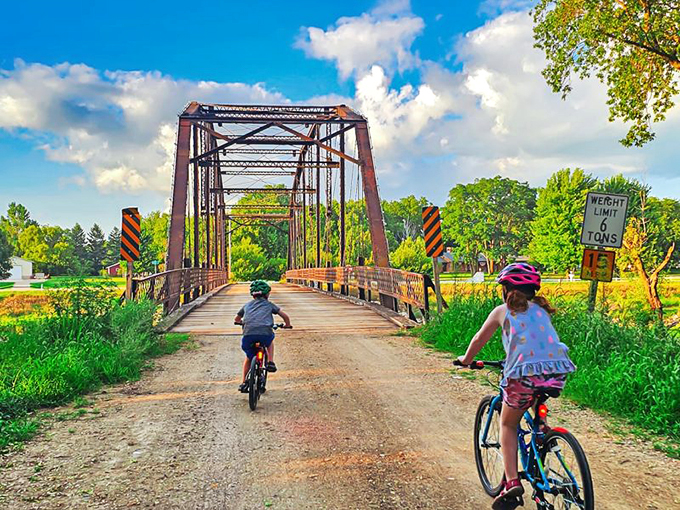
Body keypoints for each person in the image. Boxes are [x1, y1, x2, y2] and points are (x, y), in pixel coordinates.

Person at [456, 263, 576, 509]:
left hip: (522, 377)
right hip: (555, 371)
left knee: (508, 423)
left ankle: (511, 483)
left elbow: (479, 338)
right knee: (535, 394)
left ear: (506, 290)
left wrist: (466, 360)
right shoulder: (543, 311)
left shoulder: (502, 312)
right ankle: (542, 430)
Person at [234, 280, 292, 393]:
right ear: (267, 294)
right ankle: (270, 361)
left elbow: (236, 319)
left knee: (249, 358)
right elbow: (285, 316)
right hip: (265, 333)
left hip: (248, 335)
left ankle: (244, 383)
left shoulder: (247, 305)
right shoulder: (269, 305)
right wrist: (287, 325)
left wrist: (241, 322)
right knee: (269, 342)